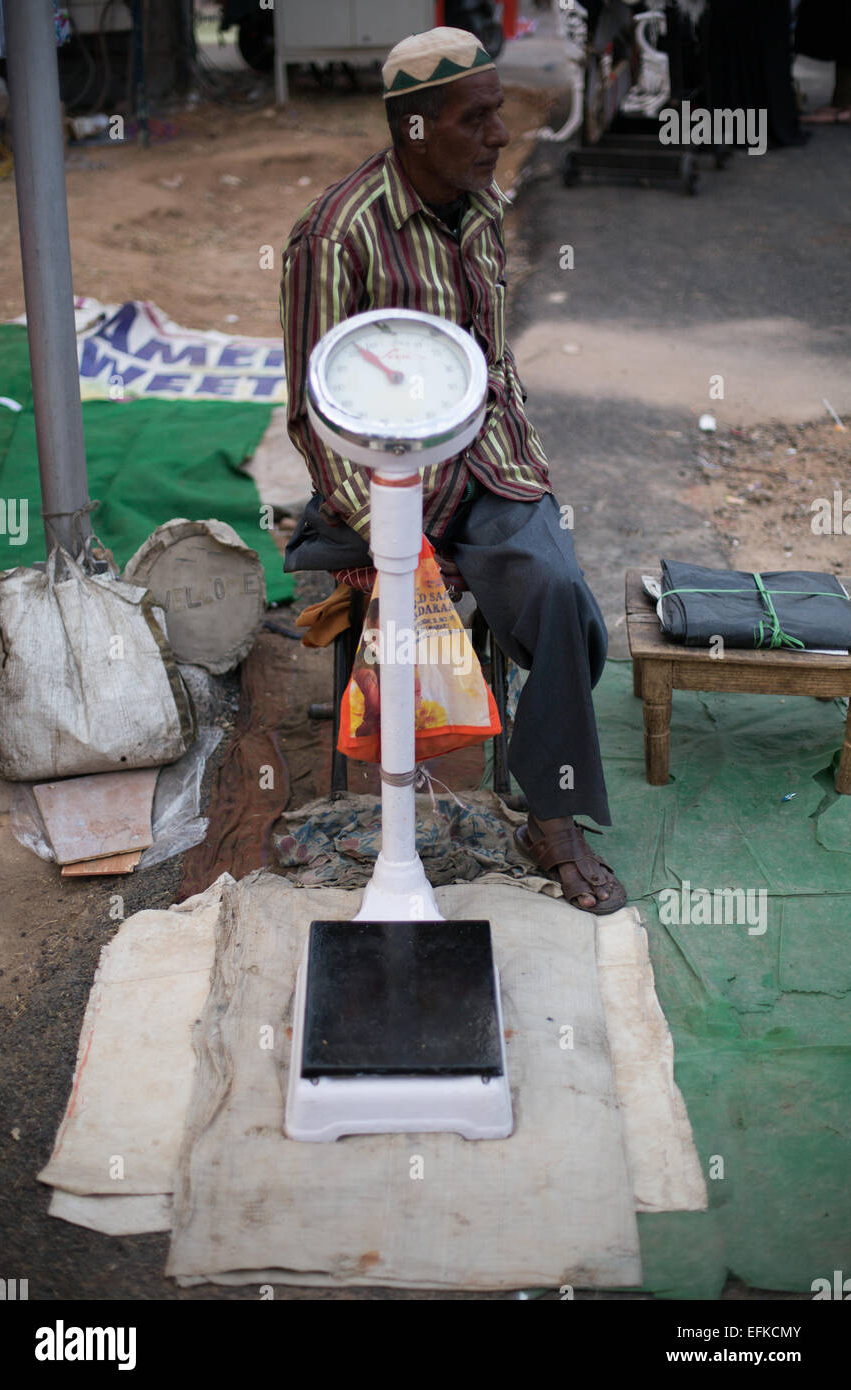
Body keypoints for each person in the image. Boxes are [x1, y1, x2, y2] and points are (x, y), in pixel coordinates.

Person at [279, 27, 625, 915]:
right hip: (383, 481)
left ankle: (545, 809)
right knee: (474, 598)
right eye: (478, 117)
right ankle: (542, 819)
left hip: (488, 460)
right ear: (417, 130)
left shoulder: (479, 202)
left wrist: (524, 468)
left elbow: (492, 364)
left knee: (562, 599)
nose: (501, 132)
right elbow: (312, 415)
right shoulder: (333, 237)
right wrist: (396, 539)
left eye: (498, 110)